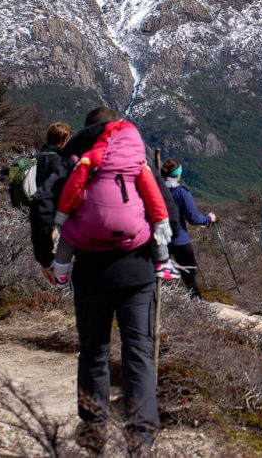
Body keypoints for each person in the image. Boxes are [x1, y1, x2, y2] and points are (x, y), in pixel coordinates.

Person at [36, 107, 169, 455]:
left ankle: (94, 427)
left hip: (91, 270)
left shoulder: (76, 160)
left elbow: (42, 204)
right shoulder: (134, 158)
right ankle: (141, 432)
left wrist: (45, 258)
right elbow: (166, 204)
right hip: (137, 269)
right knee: (138, 349)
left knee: (94, 350)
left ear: (87, 130)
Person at [49, 118, 173, 286]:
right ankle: (163, 263)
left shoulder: (89, 157)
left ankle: (60, 271)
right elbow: (153, 197)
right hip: (131, 228)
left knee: (70, 234)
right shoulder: (139, 163)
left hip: (91, 226)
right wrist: (161, 222)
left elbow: (73, 187)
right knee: (152, 227)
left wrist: (62, 216)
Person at [160, 158, 215, 299]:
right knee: (189, 276)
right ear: (178, 174)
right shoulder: (181, 192)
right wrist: (209, 218)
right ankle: (196, 305)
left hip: (158, 239)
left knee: (157, 276)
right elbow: (194, 218)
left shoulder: (156, 190)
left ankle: (162, 303)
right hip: (180, 240)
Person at [28, 122, 73, 271]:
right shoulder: (58, 162)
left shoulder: (37, 156)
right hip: (50, 214)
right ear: (64, 141)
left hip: (32, 206)